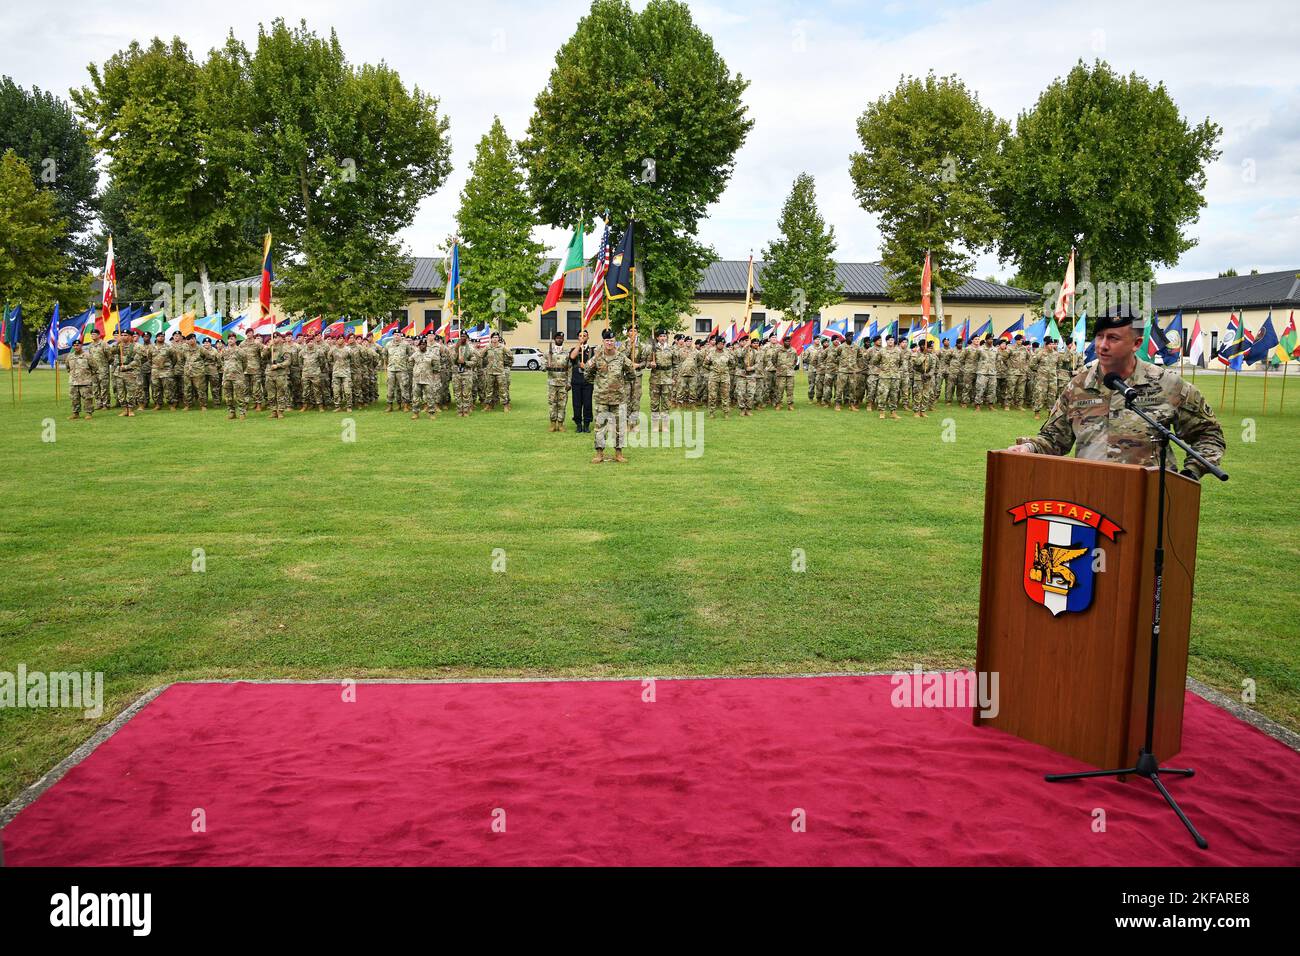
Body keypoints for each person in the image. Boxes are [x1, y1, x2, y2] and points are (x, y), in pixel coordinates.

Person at [1005, 307, 1225, 478]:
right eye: (1100, 336)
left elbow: (1208, 434)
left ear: (1136, 343)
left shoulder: (1169, 385)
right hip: (1088, 496)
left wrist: (1190, 474)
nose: (1102, 345)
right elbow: (1054, 439)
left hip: (1149, 499)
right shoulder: (1078, 386)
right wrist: (1028, 447)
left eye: (1113, 338)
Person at [588, 328, 634, 463]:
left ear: (615, 342)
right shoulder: (597, 357)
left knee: (620, 427)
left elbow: (631, 373)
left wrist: (620, 384)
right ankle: (599, 454)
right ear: (603, 341)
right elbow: (587, 373)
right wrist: (599, 385)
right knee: (600, 427)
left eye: (612, 340)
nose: (609, 343)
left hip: (618, 398)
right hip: (601, 398)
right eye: (607, 340)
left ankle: (618, 454)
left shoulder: (621, 358)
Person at [568, 329, 595, 432]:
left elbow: (595, 364)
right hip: (576, 380)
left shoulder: (592, 350)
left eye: (584, 335)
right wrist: (579, 344)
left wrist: (586, 366)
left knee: (587, 403)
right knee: (577, 404)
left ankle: (586, 424)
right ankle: (578, 424)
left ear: (588, 337)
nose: (582, 337)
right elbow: (572, 357)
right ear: (578, 337)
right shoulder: (574, 349)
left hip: (588, 381)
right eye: (580, 336)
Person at [545, 330, 570, 431]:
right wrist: (546, 366)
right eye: (558, 338)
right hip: (552, 382)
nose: (559, 340)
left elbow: (570, 369)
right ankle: (552, 423)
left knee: (562, 404)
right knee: (552, 403)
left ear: (563, 340)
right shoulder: (548, 352)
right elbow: (542, 366)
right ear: (555, 339)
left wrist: (569, 382)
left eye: (561, 338)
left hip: (563, 382)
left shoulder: (567, 353)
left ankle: (560, 423)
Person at [66, 339, 95, 419]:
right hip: (73, 382)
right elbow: (68, 368)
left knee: (87, 398)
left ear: (81, 345)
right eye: (74, 346)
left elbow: (94, 367)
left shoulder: (87, 356)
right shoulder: (70, 356)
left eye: (77, 345)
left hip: (85, 381)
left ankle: (89, 413)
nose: (76, 347)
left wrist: (88, 376)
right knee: (74, 398)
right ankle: (75, 413)